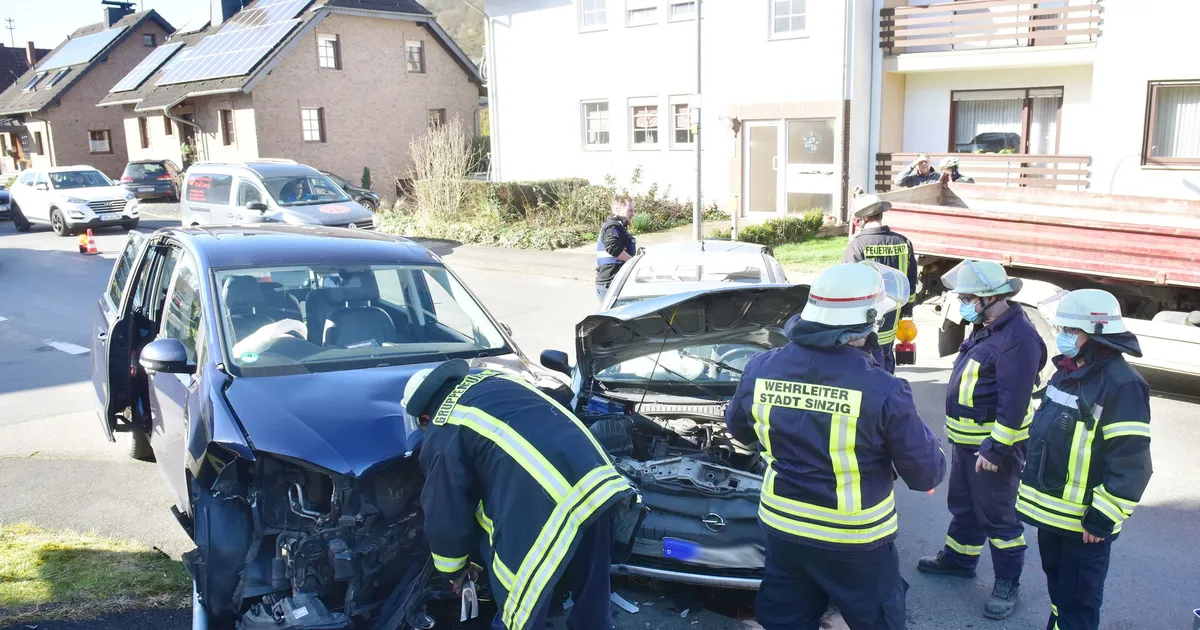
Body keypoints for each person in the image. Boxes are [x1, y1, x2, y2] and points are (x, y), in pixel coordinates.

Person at [726, 262, 946, 630]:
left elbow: (741, 433)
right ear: (869, 320)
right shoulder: (882, 388)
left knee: (785, 620)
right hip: (854, 539)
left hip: (784, 527)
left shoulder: (760, 367)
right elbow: (925, 472)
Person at [405, 359, 637, 630]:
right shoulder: (495, 382)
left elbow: (445, 513)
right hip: (595, 483)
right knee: (592, 590)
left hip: (544, 504)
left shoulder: (444, 425)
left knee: (521, 601)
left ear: (424, 417)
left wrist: (454, 570)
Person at [917, 260, 1046, 620]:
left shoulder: (1017, 338)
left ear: (991, 298)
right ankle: (959, 559)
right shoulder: (986, 326)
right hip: (968, 443)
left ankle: (1008, 583)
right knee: (964, 504)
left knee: (998, 517)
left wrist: (994, 447)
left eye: (968, 298)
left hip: (993, 449)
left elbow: (1014, 401)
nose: (963, 304)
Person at [1017, 289, 1152, 630]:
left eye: (1071, 331)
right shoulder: (1067, 370)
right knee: (1062, 598)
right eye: (1061, 329)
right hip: (1053, 517)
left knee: (1078, 604)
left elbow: (1132, 462)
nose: (1063, 337)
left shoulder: (1123, 385)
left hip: (1084, 527)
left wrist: (1102, 518)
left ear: (1097, 335)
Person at [843, 194, 917, 374]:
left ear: (863, 219)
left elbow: (848, 286)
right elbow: (911, 282)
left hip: (866, 326)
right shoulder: (903, 242)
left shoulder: (857, 245)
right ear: (881, 215)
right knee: (886, 368)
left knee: (868, 374)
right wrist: (907, 312)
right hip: (892, 322)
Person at [594, 196, 636, 304]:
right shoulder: (613, 226)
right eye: (630, 210)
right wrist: (633, 261)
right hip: (609, 285)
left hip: (613, 283)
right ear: (618, 209)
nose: (633, 213)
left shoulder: (619, 226)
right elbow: (612, 247)